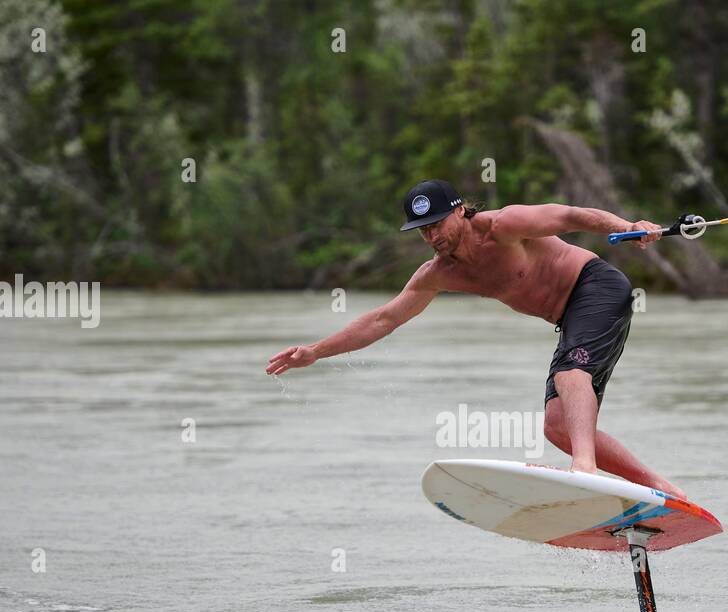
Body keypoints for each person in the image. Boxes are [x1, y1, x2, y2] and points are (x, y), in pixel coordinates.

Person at [267, 179, 686, 498]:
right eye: (422, 231)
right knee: (556, 426)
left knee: (570, 376)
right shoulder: (440, 274)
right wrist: (315, 352)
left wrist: (628, 227)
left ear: (460, 211)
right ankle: (660, 488)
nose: (432, 237)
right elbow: (383, 319)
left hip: (596, 286)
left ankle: (585, 472)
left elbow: (572, 215)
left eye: (436, 225)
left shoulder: (504, 226)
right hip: (569, 318)